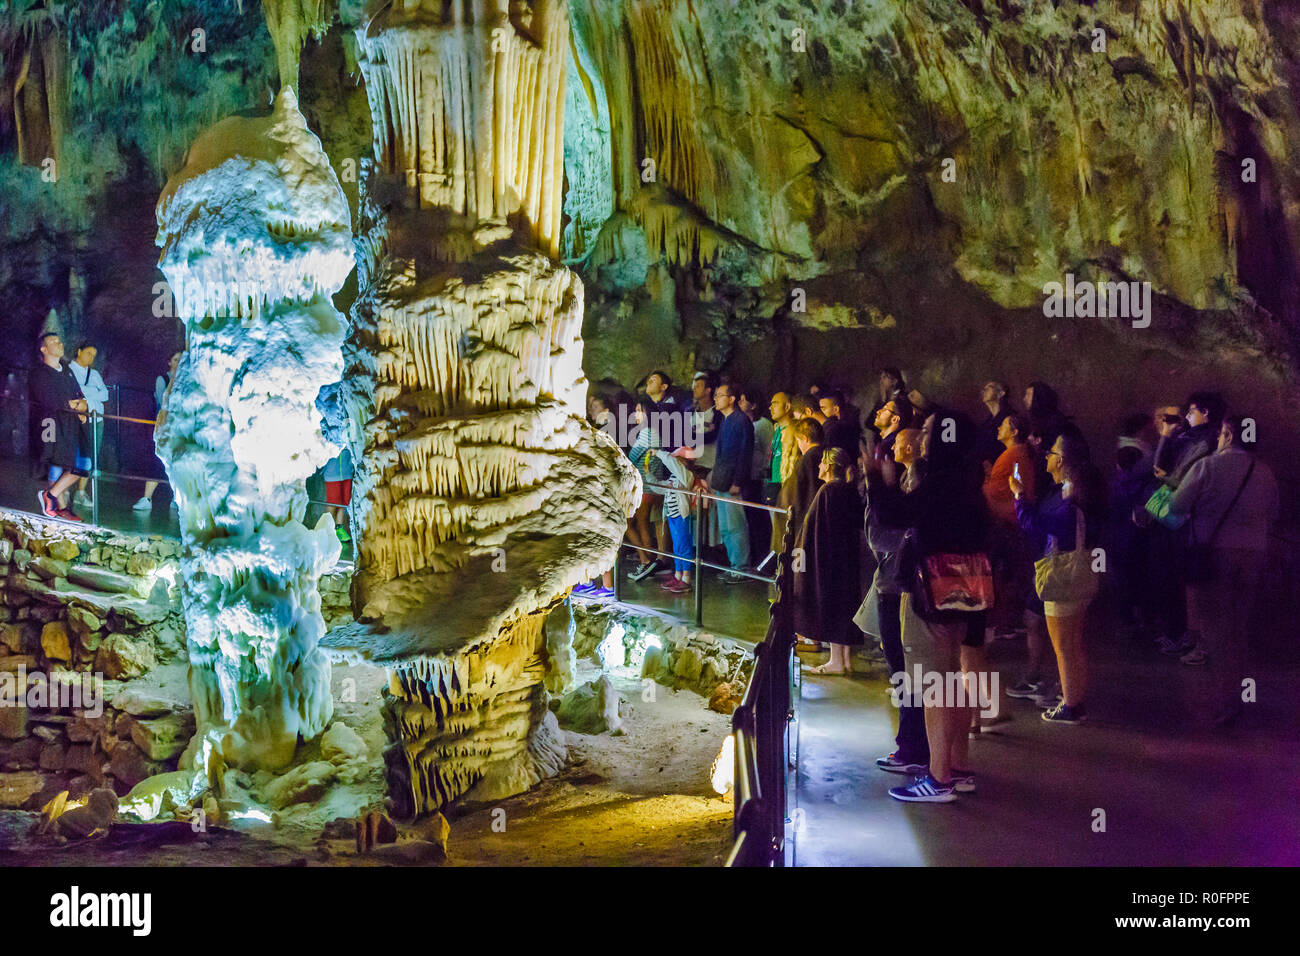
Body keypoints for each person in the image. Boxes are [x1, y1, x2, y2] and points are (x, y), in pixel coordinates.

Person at [868, 410, 989, 802]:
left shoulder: (939, 483)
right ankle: (958, 765)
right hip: (966, 592)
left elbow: (896, 516)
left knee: (935, 683)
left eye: (931, 432)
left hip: (932, 594)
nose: (923, 438)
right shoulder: (969, 480)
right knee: (952, 678)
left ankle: (938, 778)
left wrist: (879, 481)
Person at [1168, 414, 1278, 721]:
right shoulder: (1265, 472)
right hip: (1254, 553)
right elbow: (1274, 512)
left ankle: (1224, 700)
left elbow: (1175, 508)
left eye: (1220, 435)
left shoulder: (1208, 466)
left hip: (1215, 555)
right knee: (1239, 627)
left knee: (1216, 630)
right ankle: (1242, 695)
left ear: (1228, 435)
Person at [1010, 427, 1105, 724]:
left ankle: (1072, 706)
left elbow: (1037, 524)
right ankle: (1074, 700)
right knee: (1072, 645)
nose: (1046, 457)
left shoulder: (1069, 499)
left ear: (1062, 460)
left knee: (1064, 646)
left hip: (1063, 578)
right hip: (1079, 578)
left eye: (1051, 452)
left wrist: (1019, 497)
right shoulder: (1075, 493)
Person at [864, 425, 929, 774]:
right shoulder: (912, 484)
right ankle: (915, 745)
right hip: (898, 585)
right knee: (908, 671)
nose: (896, 448)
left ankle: (912, 748)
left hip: (899, 588)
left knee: (904, 670)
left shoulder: (914, 488)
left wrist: (879, 486)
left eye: (904, 443)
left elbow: (878, 534)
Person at [795, 448, 864, 675]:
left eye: (822, 463)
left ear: (829, 465)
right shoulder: (847, 490)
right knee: (845, 606)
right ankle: (843, 660)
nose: (818, 467)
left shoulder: (828, 491)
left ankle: (836, 661)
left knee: (834, 606)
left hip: (830, 560)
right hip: (846, 559)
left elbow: (816, 531)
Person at [29, 332, 89, 521]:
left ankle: (51, 495)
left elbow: (79, 395)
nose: (59, 343)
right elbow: (46, 399)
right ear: (44, 349)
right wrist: (71, 404)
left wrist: (82, 407)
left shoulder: (66, 371)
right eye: (53, 342)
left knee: (81, 465)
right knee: (57, 463)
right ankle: (59, 505)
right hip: (51, 426)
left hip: (70, 426)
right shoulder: (38, 373)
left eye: (60, 340)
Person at [710, 382, 754, 584]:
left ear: (732, 398)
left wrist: (738, 481)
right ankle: (734, 564)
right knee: (726, 527)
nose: (716, 399)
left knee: (736, 525)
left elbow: (745, 454)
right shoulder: (726, 420)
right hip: (722, 480)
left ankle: (741, 567)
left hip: (732, 482)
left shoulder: (741, 421)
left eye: (720, 395)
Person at [134, 351, 182, 512]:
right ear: (169, 362)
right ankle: (146, 498)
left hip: (179, 428)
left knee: (178, 463)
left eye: (181, 359)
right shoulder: (163, 379)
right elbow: (162, 401)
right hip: (163, 427)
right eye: (176, 359)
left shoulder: (185, 380)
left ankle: (177, 499)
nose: (179, 362)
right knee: (156, 462)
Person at [67, 342, 108, 508]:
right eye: (88, 353)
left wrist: (85, 394)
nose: (91, 357)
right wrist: (93, 393)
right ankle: (64, 490)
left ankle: (81, 492)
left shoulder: (95, 373)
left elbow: (105, 394)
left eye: (94, 355)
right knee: (72, 454)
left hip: (96, 419)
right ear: (79, 351)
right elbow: (71, 392)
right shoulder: (68, 370)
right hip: (77, 419)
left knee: (90, 456)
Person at [653, 446, 698, 595]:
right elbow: (661, 488)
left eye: (676, 459)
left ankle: (686, 579)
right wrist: (648, 476)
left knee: (684, 546)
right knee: (677, 546)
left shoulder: (686, 476)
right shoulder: (674, 477)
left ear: (683, 461)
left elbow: (672, 464)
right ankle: (678, 575)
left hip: (681, 515)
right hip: (672, 515)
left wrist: (659, 453)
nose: (673, 462)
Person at [976, 380, 1014, 468]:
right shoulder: (986, 424)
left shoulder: (1010, 417)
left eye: (989, 388)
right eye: (984, 389)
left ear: (1001, 393)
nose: (983, 391)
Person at [818, 388, 861, 460]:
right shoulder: (851, 423)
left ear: (836, 409)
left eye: (824, 408)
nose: (821, 412)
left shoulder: (836, 428)